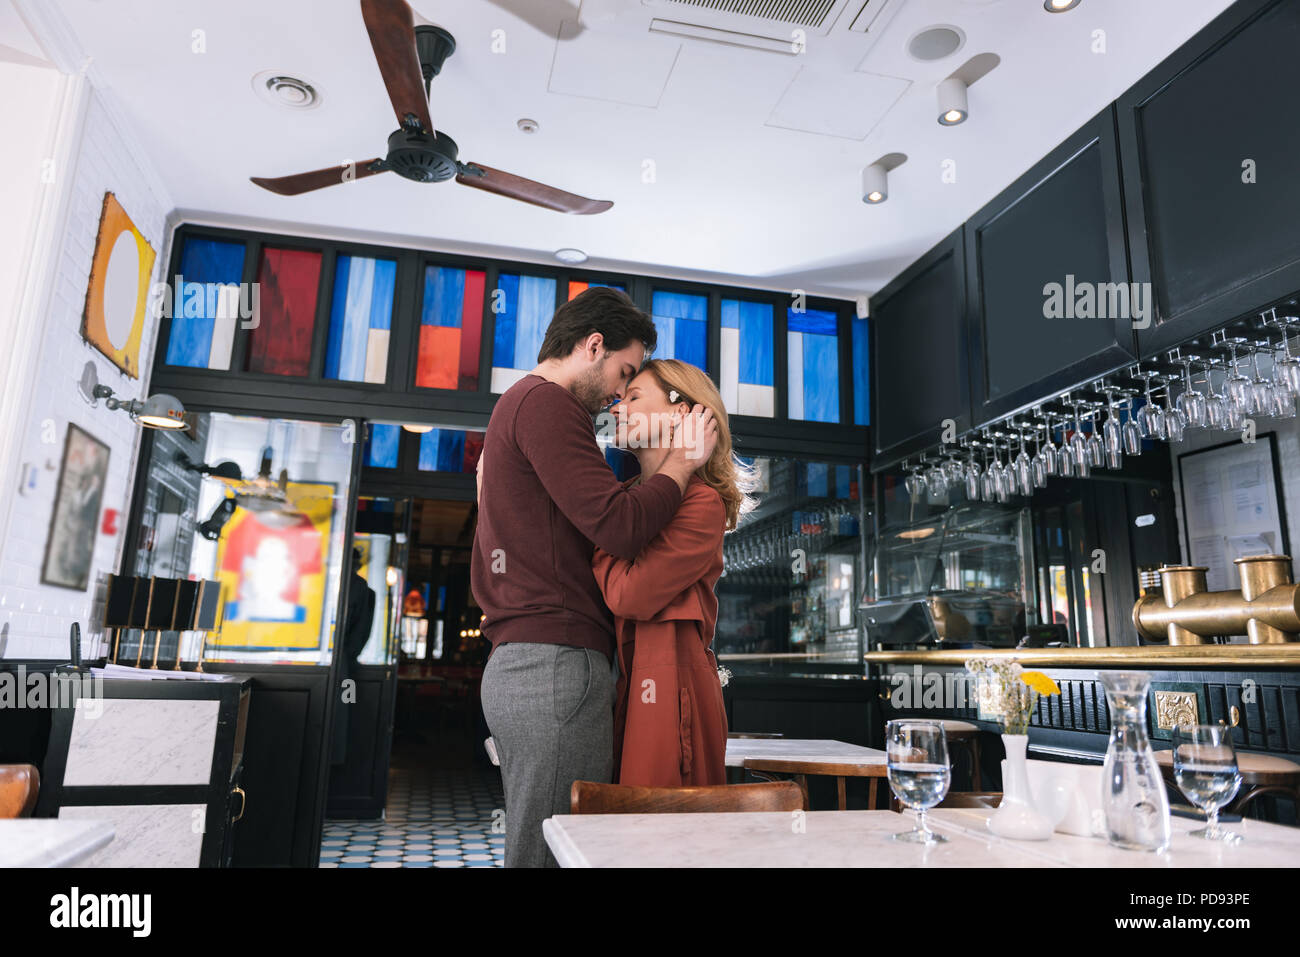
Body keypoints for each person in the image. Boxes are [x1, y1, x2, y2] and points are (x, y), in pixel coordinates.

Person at [471, 287, 718, 868]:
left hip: (537, 662)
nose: (615, 398)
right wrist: (682, 462)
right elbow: (616, 528)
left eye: (634, 388)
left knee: (553, 846)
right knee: (551, 851)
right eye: (622, 375)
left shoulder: (525, 406)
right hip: (553, 663)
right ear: (593, 345)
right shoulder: (547, 404)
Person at [591, 359, 755, 787]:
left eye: (633, 397)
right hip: (625, 682)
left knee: (661, 835)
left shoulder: (702, 504)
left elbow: (631, 596)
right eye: (618, 398)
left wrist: (598, 540)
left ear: (681, 413)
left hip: (671, 687)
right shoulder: (623, 498)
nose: (617, 408)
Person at [332, 547, 376, 765]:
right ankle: (338, 761)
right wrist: (349, 657)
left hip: (335, 662)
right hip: (344, 665)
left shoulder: (340, 583)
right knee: (343, 708)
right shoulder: (360, 587)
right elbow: (361, 633)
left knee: (342, 705)